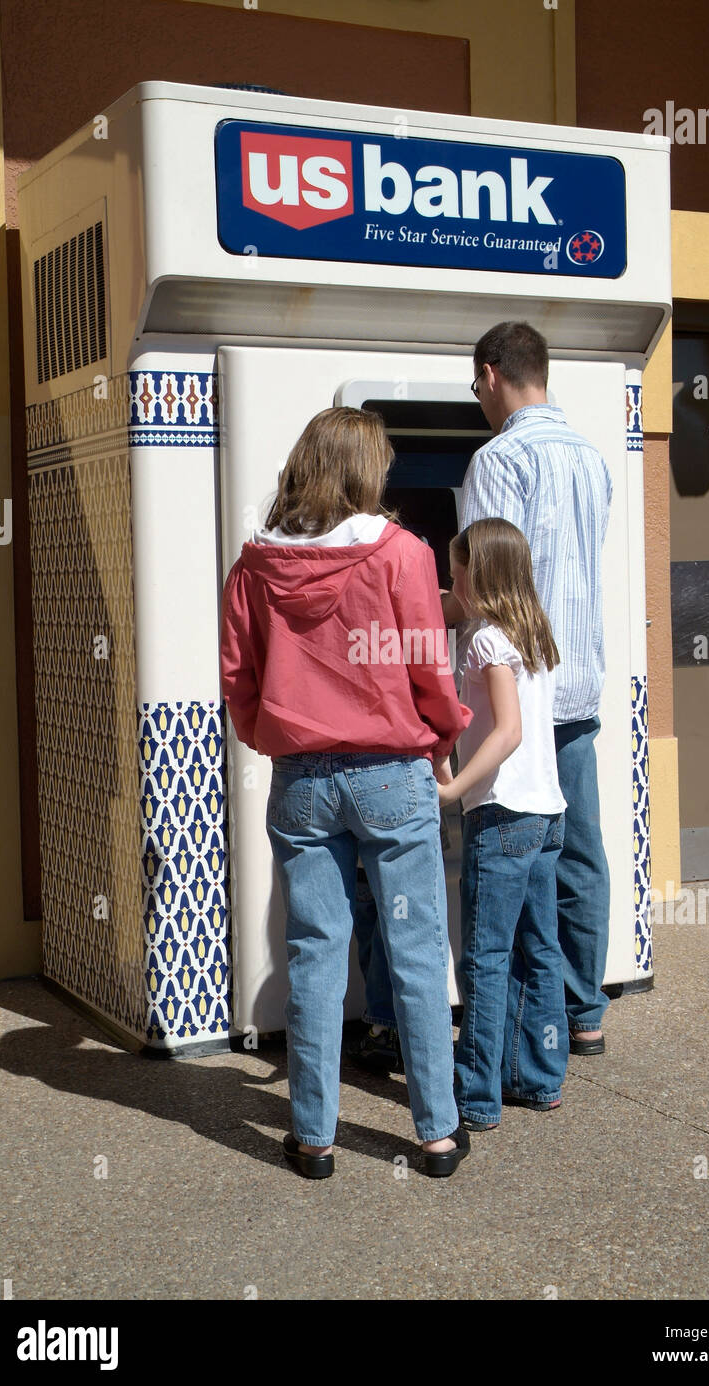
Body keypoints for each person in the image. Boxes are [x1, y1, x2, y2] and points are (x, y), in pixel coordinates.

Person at [220, 406, 472, 1179]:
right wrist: (442, 736)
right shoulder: (401, 555)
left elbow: (238, 678)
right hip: (392, 775)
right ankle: (434, 1135)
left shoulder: (254, 565)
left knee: (316, 954)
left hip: (303, 782)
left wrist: (281, 738)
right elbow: (430, 667)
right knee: (419, 952)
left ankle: (314, 1139)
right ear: (366, 470)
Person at [354, 320, 612, 1066]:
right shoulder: (593, 458)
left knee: (498, 877)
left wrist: (412, 608)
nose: (478, 400)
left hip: (510, 701)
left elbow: (481, 585)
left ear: (493, 373)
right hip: (576, 683)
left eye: (475, 386)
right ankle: (578, 1017)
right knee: (575, 859)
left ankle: (493, 1045)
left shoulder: (499, 459)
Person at [435, 519, 567, 1129]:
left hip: (503, 812)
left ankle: (477, 1097)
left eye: (455, 569)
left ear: (477, 574)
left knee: (486, 958)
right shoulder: (532, 631)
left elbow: (507, 730)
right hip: (547, 812)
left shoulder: (486, 639)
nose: (448, 579)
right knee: (539, 949)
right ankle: (538, 1078)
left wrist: (456, 787)